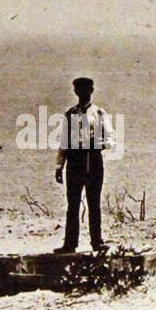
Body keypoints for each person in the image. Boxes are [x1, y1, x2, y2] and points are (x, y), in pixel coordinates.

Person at [54, 76, 115, 253]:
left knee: (93, 203)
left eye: (86, 89)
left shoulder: (99, 113)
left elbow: (111, 138)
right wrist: (59, 166)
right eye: (79, 89)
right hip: (74, 162)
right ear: (75, 91)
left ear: (92, 91)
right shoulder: (70, 114)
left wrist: (99, 144)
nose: (82, 93)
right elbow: (63, 142)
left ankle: (97, 242)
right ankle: (70, 244)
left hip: (93, 160)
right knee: (72, 204)